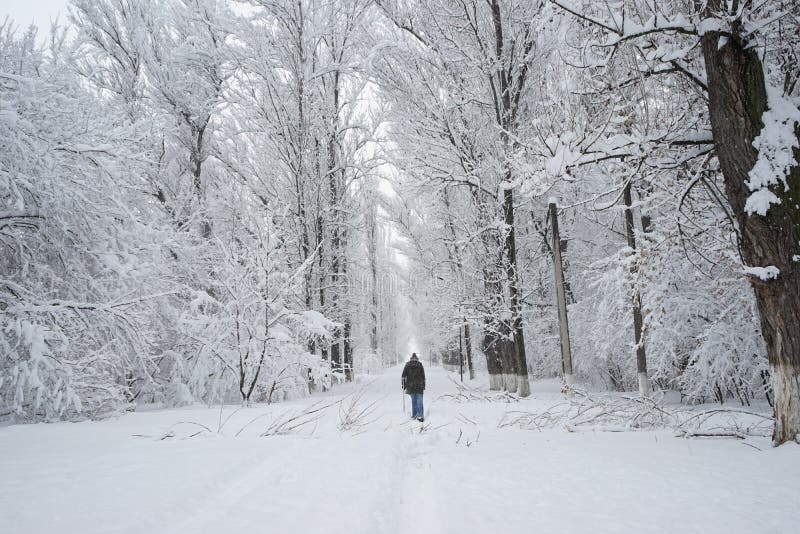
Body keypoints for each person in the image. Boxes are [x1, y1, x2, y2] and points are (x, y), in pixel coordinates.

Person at [401, 353, 426, 422]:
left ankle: (414, 415)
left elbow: (403, 376)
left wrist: (403, 385)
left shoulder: (407, 364)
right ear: (417, 358)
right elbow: (423, 376)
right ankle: (420, 416)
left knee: (414, 401)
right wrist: (423, 385)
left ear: (411, 358)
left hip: (411, 386)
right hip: (419, 385)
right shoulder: (420, 364)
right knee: (420, 401)